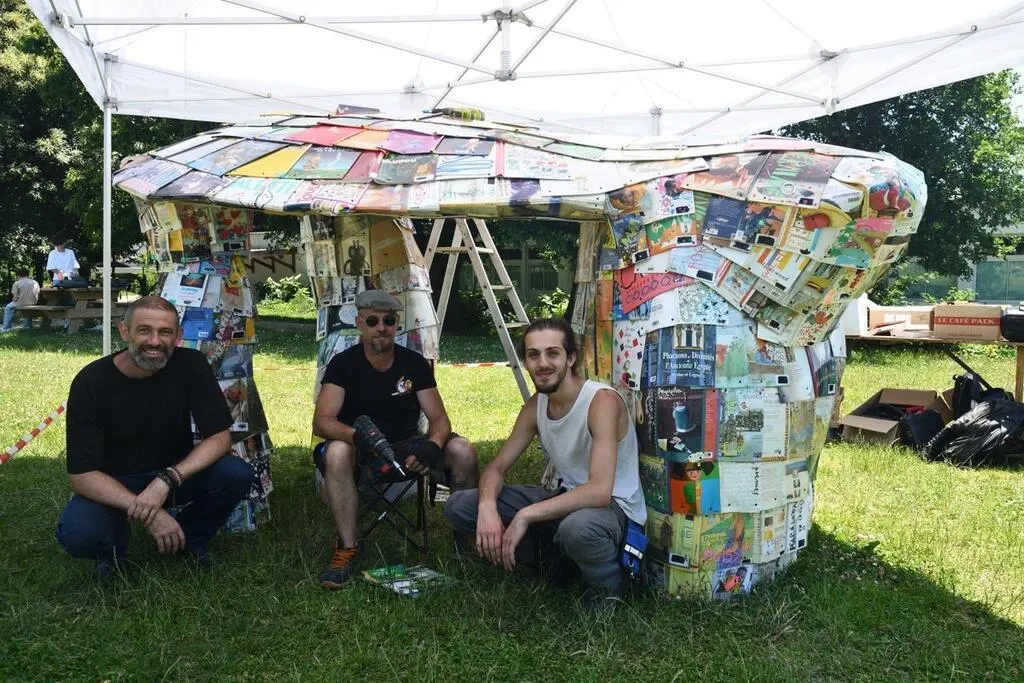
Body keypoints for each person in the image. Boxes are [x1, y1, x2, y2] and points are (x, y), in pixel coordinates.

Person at [444, 318, 646, 611]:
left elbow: (599, 492)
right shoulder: (536, 406)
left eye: (553, 353)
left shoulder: (601, 402)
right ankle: (554, 562)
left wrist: (525, 515)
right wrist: (487, 507)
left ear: (571, 358)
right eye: (533, 355)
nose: (542, 363)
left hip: (613, 511)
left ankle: (608, 590)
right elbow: (496, 468)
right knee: (460, 505)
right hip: (565, 498)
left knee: (577, 529)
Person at [56, 296, 252, 579]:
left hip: (172, 475)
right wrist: (149, 511)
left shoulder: (191, 365)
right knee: (79, 533)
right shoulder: (91, 382)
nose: (155, 341)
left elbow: (220, 438)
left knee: (235, 473)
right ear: (125, 331)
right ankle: (113, 552)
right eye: (144, 330)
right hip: (115, 483)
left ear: (178, 336)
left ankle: (188, 538)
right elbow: (82, 476)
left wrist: (167, 480)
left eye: (165, 332)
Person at [312, 289, 478, 589]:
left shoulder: (414, 363)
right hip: (360, 447)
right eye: (373, 321)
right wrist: (356, 437)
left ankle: (467, 538)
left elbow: (439, 419)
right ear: (359, 324)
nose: (381, 328)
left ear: (397, 324)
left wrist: (432, 445)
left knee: (463, 450)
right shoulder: (343, 364)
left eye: (388, 320)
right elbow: (322, 421)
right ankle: (347, 548)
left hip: (406, 444)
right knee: (336, 452)